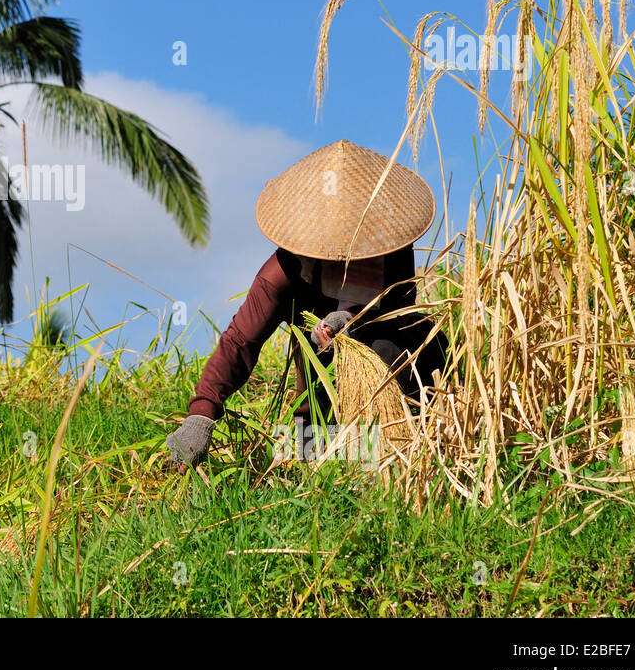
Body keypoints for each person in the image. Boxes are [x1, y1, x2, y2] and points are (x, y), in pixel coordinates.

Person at [166, 140, 447, 469]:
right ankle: (335, 457)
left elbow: (401, 309)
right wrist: (200, 415)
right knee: (307, 456)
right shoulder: (283, 273)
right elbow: (240, 342)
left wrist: (350, 321)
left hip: (395, 381)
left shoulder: (392, 249)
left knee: (400, 344)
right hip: (317, 405)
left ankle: (404, 453)